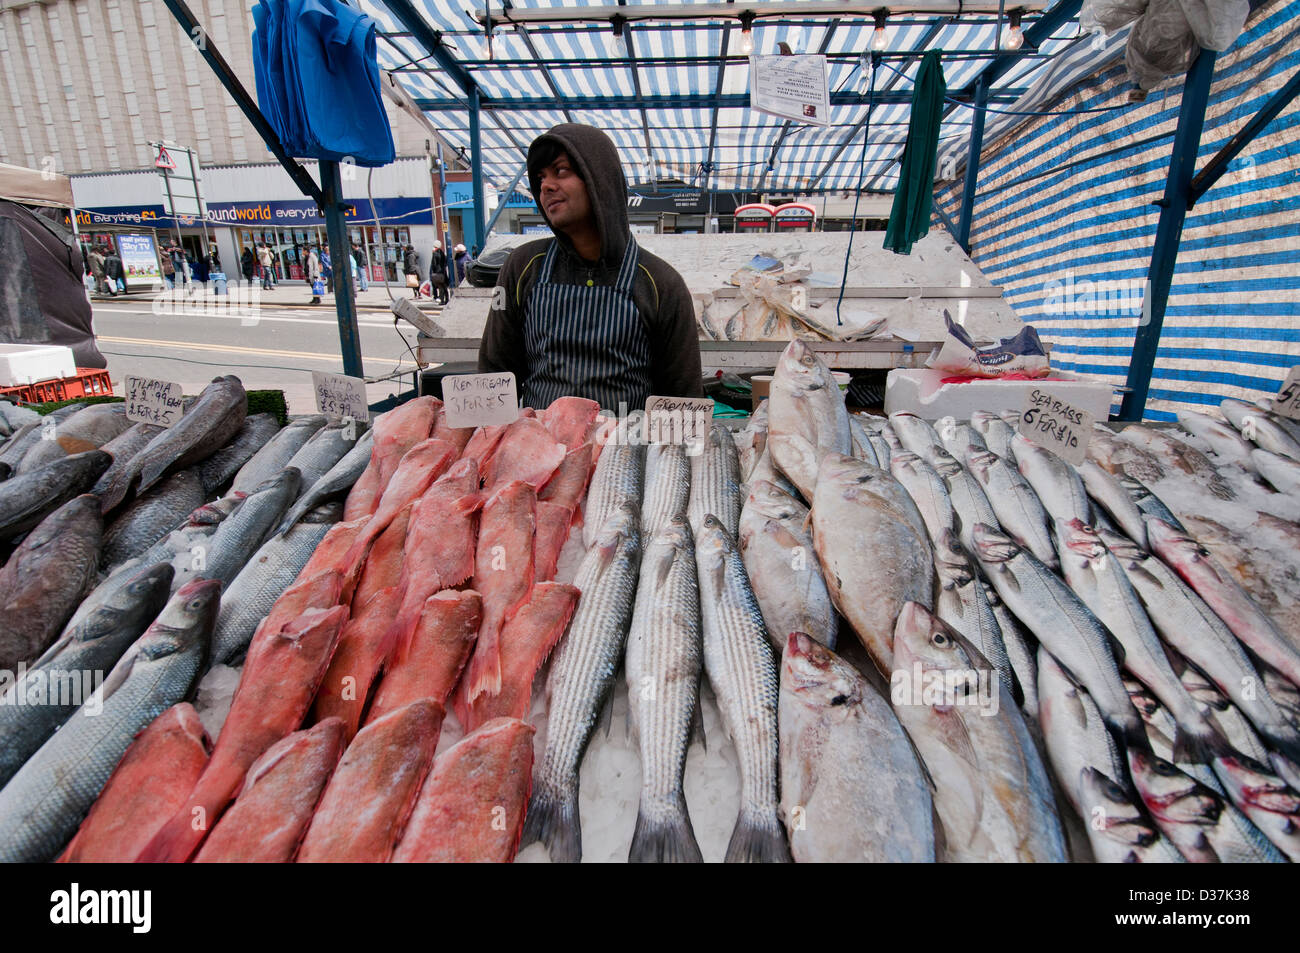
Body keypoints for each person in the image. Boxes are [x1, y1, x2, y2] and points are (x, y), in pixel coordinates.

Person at [478, 123, 703, 410]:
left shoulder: (661, 283)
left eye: (561, 171)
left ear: (599, 178)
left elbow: (682, 399)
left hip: (625, 451)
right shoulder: (521, 268)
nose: (546, 185)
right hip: (539, 449)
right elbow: (494, 374)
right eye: (540, 177)